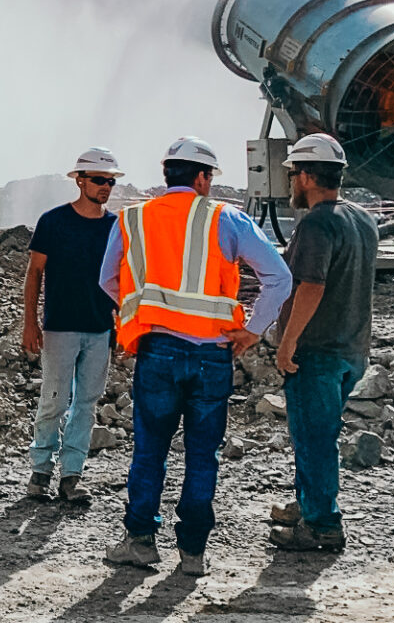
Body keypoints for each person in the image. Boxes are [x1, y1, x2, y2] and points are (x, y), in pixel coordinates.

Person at [98, 136, 291, 576]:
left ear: (168, 174)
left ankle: (140, 541)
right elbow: (279, 277)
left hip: (157, 351)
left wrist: (141, 312)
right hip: (212, 355)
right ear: (203, 178)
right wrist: (252, 330)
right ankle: (193, 553)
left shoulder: (133, 219)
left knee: (150, 450)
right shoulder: (227, 218)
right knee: (203, 455)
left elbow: (108, 279)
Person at [269, 133, 377, 552]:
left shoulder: (316, 223)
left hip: (317, 352)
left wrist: (287, 343)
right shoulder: (362, 218)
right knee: (318, 434)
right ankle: (309, 503)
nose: (291, 182)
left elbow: (311, 286)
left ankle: (321, 525)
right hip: (352, 349)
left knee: (314, 438)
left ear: (307, 176)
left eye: (293, 174)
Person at [21, 147, 125, 503]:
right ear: (80, 180)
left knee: (86, 404)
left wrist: (124, 326)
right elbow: (34, 273)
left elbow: (123, 279)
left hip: (100, 330)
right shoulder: (53, 222)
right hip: (60, 328)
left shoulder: (115, 227)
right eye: (99, 180)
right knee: (53, 399)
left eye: (110, 181)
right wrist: (30, 323)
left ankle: (71, 476)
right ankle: (40, 470)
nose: (105, 187)